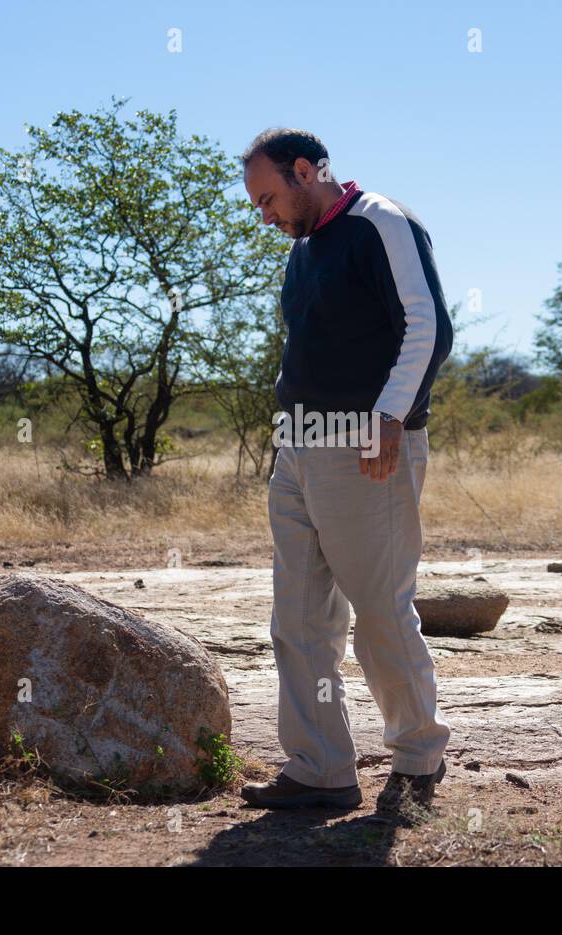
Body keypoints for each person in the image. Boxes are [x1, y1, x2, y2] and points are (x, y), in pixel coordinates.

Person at [239, 127, 454, 815]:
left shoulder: (381, 223)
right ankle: (320, 769)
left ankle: (418, 759)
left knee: (380, 615)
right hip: (297, 449)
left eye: (269, 197)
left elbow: (428, 326)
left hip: (368, 449)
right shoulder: (302, 251)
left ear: (306, 171)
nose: (263, 214)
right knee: (297, 622)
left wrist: (390, 416)